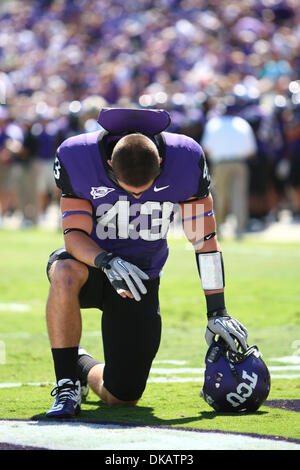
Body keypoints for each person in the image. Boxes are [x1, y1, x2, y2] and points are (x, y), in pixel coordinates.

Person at [45, 107, 248, 418]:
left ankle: (80, 365)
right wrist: (107, 261)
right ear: (109, 164)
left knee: (122, 397)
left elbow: (204, 242)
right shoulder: (78, 155)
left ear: (162, 165)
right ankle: (65, 385)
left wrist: (217, 309)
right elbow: (73, 236)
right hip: (92, 265)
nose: (138, 198)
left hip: (141, 278)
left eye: (144, 191)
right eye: (129, 192)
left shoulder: (186, 158)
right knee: (65, 271)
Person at [201, 102, 257, 238]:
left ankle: (218, 230)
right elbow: (251, 151)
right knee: (239, 197)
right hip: (239, 163)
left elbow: (205, 149)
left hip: (220, 164)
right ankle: (239, 232)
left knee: (219, 198)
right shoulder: (242, 123)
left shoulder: (213, 124)